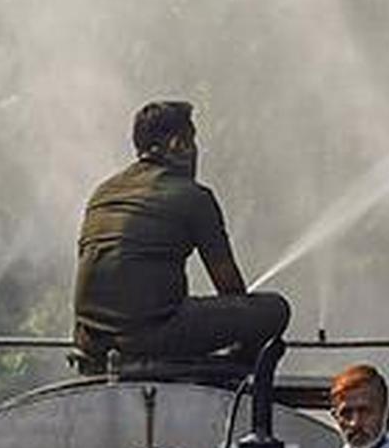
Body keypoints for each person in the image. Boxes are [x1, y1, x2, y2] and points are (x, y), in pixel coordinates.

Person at [73, 100, 290, 368]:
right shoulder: (193, 197)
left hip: (91, 342)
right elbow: (230, 287)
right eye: (193, 141)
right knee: (274, 310)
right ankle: (230, 373)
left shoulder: (103, 191)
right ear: (179, 144)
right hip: (150, 337)